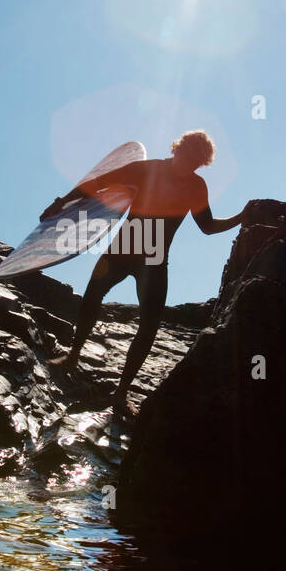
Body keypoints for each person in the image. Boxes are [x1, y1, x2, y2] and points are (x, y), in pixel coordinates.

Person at [41, 130, 245, 414]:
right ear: (178, 149)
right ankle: (72, 356)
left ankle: (121, 395)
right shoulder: (145, 169)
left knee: (149, 325)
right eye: (188, 156)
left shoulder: (197, 187)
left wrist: (240, 218)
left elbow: (207, 226)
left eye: (197, 162)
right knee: (92, 295)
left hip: (154, 258)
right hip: (123, 247)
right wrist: (61, 202)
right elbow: (99, 182)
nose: (191, 165)